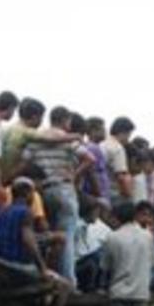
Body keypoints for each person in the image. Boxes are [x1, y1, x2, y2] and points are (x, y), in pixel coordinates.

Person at [0, 177, 76, 306]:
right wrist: (43, 268)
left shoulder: (0, 213)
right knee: (64, 286)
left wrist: (49, 239)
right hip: (19, 269)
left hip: (1, 266)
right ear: (27, 193)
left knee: (57, 242)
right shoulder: (25, 212)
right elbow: (28, 240)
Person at [15, 105, 93, 282]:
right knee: (67, 236)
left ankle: (49, 276)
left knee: (48, 235)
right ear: (66, 120)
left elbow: (24, 162)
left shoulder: (37, 138)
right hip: (64, 190)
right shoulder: (67, 139)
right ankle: (68, 280)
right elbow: (90, 159)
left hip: (42, 191)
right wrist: (74, 175)